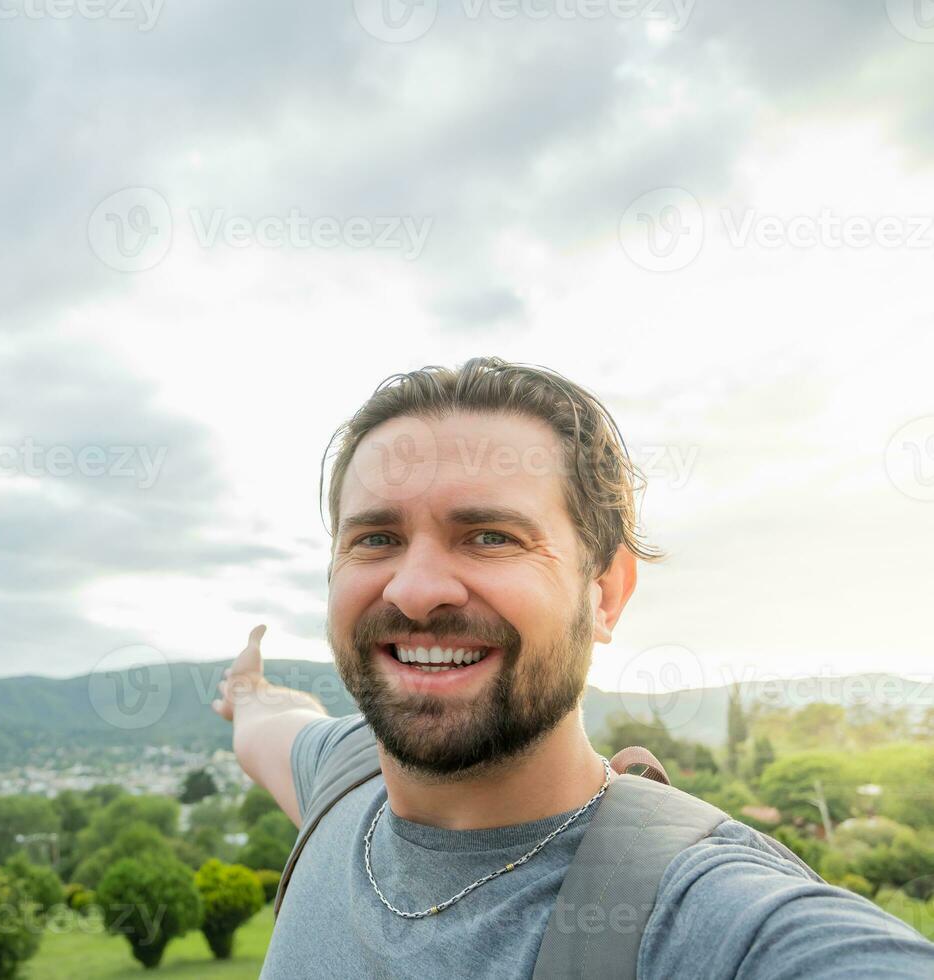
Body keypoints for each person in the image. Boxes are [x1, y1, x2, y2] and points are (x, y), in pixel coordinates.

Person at [211, 357, 934, 978]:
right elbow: (267, 719)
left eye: (490, 536)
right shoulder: (340, 775)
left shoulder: (706, 918)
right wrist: (247, 687)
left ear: (606, 594)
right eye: (376, 539)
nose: (416, 588)